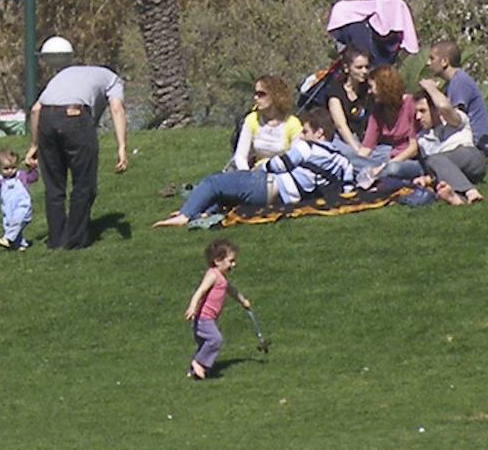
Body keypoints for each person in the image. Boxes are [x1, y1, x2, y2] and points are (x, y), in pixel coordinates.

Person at [150, 110, 379, 226]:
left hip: (268, 185)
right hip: (283, 199)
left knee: (214, 182)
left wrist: (260, 165)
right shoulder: (342, 161)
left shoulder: (307, 147)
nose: (301, 135)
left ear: (319, 133)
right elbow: (347, 191)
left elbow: (278, 165)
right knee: (224, 194)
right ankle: (199, 211)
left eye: (305, 131)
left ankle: (184, 216)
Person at [29, 47, 129, 251]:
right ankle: (74, 241)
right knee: (84, 184)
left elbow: (35, 109)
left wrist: (34, 145)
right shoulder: (113, 80)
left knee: (54, 186)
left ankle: (55, 240)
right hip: (76, 118)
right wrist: (121, 147)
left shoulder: (65, 73)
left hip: (47, 118)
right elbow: (117, 108)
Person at [183, 239, 247, 380]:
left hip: (208, 318)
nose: (234, 264)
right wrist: (192, 307)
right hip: (203, 318)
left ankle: (193, 370)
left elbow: (232, 291)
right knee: (215, 340)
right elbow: (200, 291)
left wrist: (243, 301)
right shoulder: (212, 275)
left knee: (204, 345)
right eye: (231, 261)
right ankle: (198, 363)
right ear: (218, 261)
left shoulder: (222, 278)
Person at [230, 77, 302, 168]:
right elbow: (240, 156)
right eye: (255, 94)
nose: (255, 98)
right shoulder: (252, 119)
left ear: (276, 96)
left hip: (283, 172)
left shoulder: (293, 124)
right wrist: (246, 174)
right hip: (257, 171)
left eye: (261, 94)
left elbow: (296, 159)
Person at [421, 41, 488, 138]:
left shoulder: (460, 81)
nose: (428, 63)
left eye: (432, 58)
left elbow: (453, 119)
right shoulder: (450, 84)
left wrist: (432, 89)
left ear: (444, 61)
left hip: (473, 143)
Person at [311, 50, 374, 150]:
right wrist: (357, 150)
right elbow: (341, 126)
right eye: (359, 67)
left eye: (367, 67)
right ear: (346, 68)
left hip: (363, 138)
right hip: (340, 140)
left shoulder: (368, 90)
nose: (364, 71)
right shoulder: (335, 92)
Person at [355, 65, 417, 158]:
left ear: (384, 86)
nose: (369, 92)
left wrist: (389, 164)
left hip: (408, 158)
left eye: (371, 87)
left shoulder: (410, 104)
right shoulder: (378, 110)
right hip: (389, 155)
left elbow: (414, 148)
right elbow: (367, 146)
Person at [0, 147, 34, 249]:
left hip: (22, 206)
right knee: (10, 225)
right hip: (8, 208)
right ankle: (18, 245)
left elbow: (33, 177)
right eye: (6, 168)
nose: (10, 171)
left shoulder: (21, 176)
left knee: (17, 221)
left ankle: (7, 239)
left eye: (13, 167)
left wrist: (32, 168)